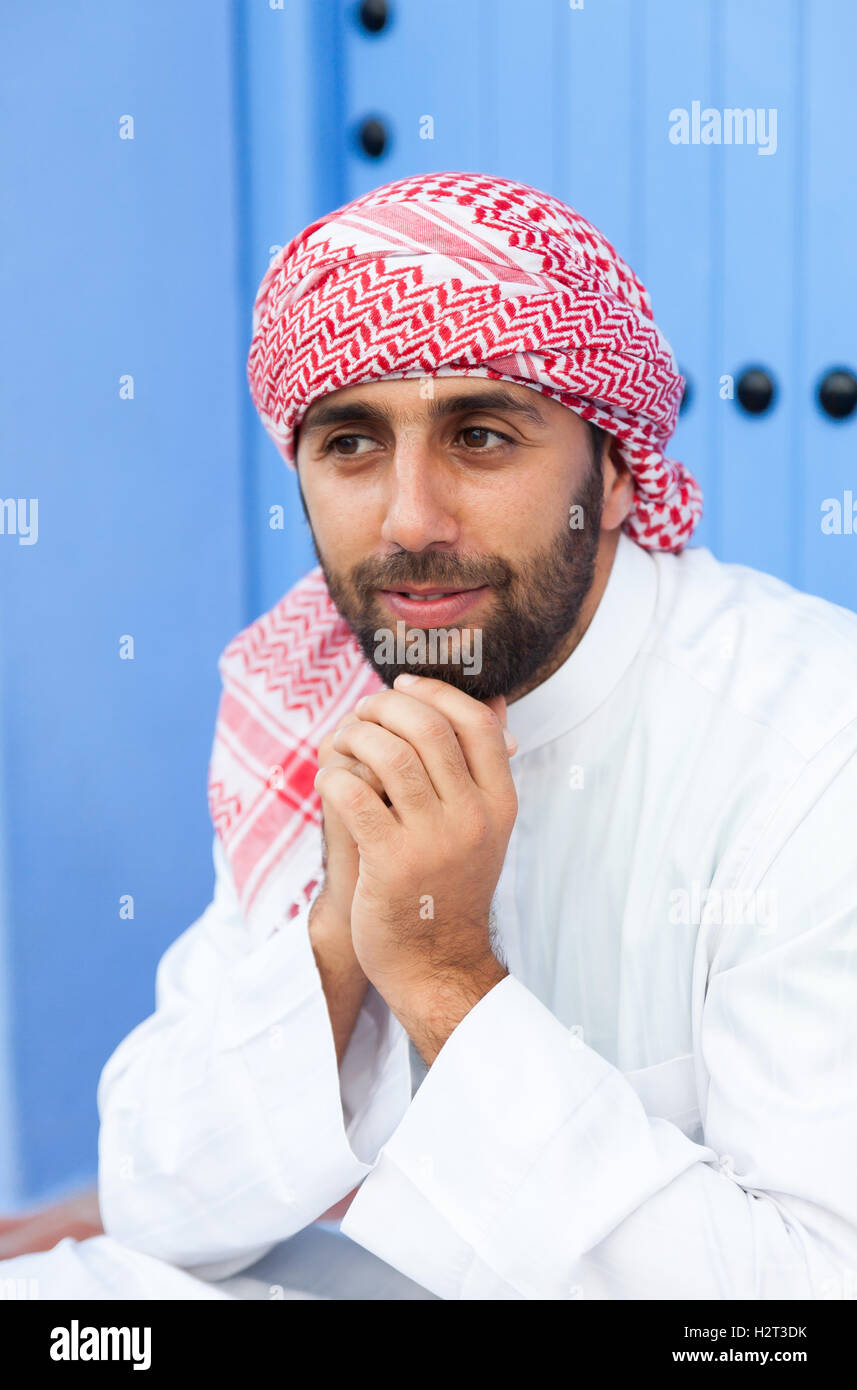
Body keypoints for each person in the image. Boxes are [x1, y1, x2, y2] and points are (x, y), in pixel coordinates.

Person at [4, 171, 856, 1301]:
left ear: (609, 475)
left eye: (482, 434)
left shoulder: (806, 744)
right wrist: (340, 944)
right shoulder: (315, 702)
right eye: (350, 443)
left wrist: (445, 973)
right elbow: (161, 1205)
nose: (408, 519)